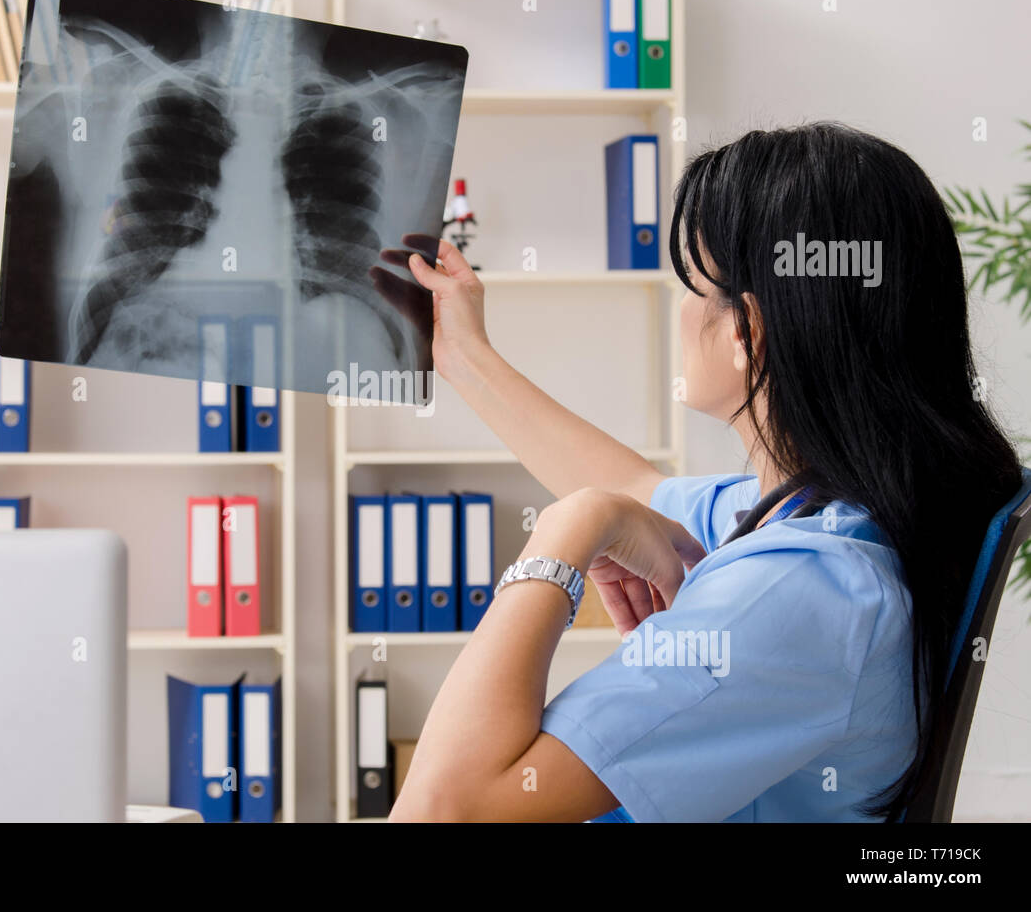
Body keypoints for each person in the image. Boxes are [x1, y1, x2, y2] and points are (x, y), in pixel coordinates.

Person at [371, 122, 1023, 822]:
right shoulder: (821, 520)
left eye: (692, 284)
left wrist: (566, 531)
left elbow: (442, 809)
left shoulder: (795, 594)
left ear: (747, 331)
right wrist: (463, 353)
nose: (681, 310)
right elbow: (644, 493)